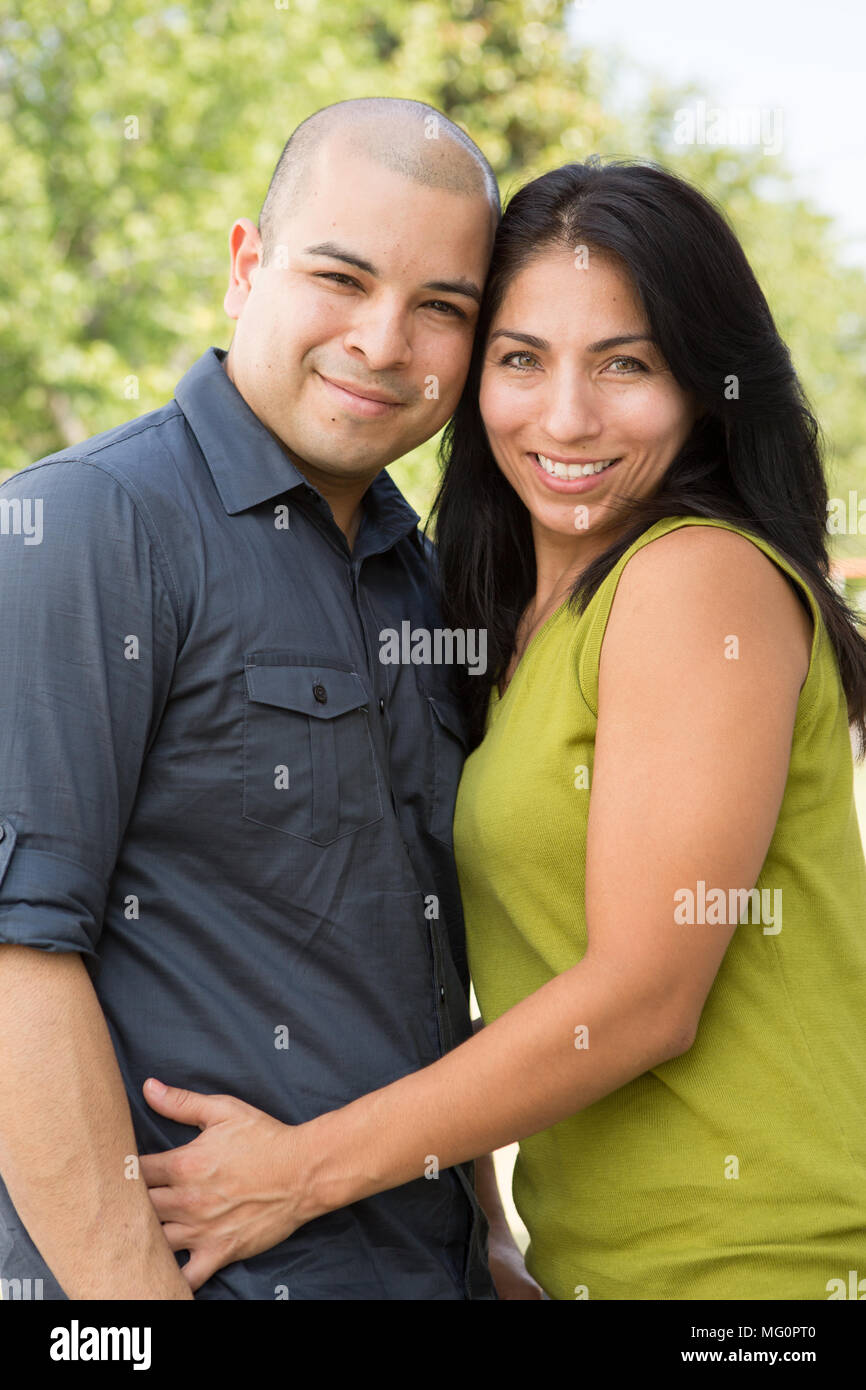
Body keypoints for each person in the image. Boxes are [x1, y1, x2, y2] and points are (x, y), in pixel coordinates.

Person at [139, 158, 866, 1300]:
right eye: (520, 359)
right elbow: (507, 966)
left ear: (703, 385)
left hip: (771, 1273)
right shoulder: (499, 614)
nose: (564, 417)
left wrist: (297, 1173)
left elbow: (641, 996)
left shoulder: (695, 581)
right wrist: (484, 1226)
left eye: (624, 364)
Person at [0, 96, 541, 1300]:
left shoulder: (432, 578)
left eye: (441, 308)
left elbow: (419, 947)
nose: (383, 341)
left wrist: (491, 1242)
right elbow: (15, 962)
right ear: (246, 268)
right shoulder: (87, 526)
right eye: (339, 278)